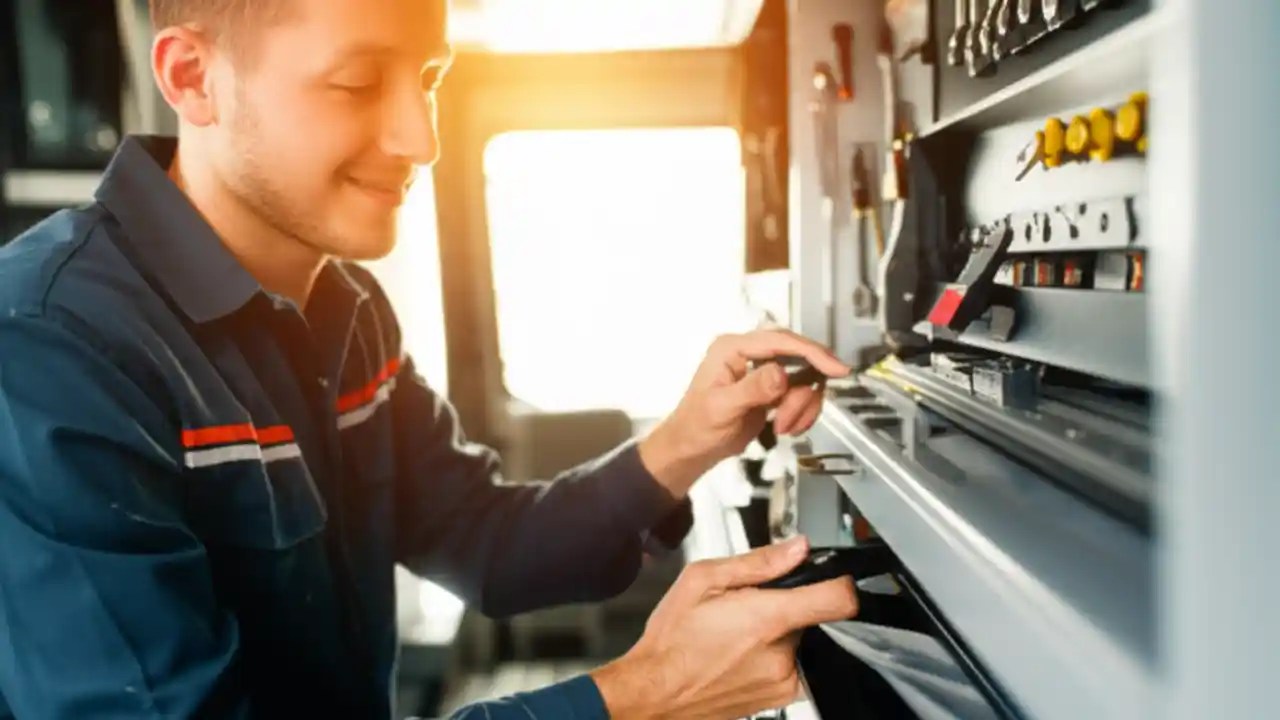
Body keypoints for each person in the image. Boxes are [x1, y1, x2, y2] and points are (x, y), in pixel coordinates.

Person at [0, 0, 859, 717]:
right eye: (357, 84)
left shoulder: (347, 307)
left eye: (431, 81)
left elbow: (486, 543)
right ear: (193, 78)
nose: (422, 139)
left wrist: (684, 443)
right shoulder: (46, 347)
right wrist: (643, 691)